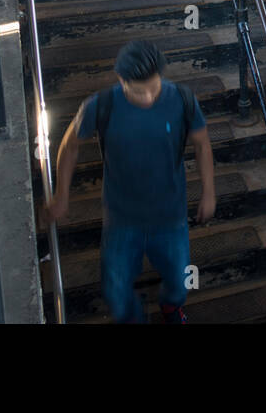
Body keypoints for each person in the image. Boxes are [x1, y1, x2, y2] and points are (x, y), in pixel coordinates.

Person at [48, 40, 215, 324]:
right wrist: (61, 194)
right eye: (139, 91)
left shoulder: (182, 100)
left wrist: (209, 193)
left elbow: (201, 144)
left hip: (170, 217)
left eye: (153, 87)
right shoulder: (101, 105)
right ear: (121, 80)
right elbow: (70, 145)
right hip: (121, 219)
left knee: (178, 280)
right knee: (116, 291)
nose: (149, 97)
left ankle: (171, 308)